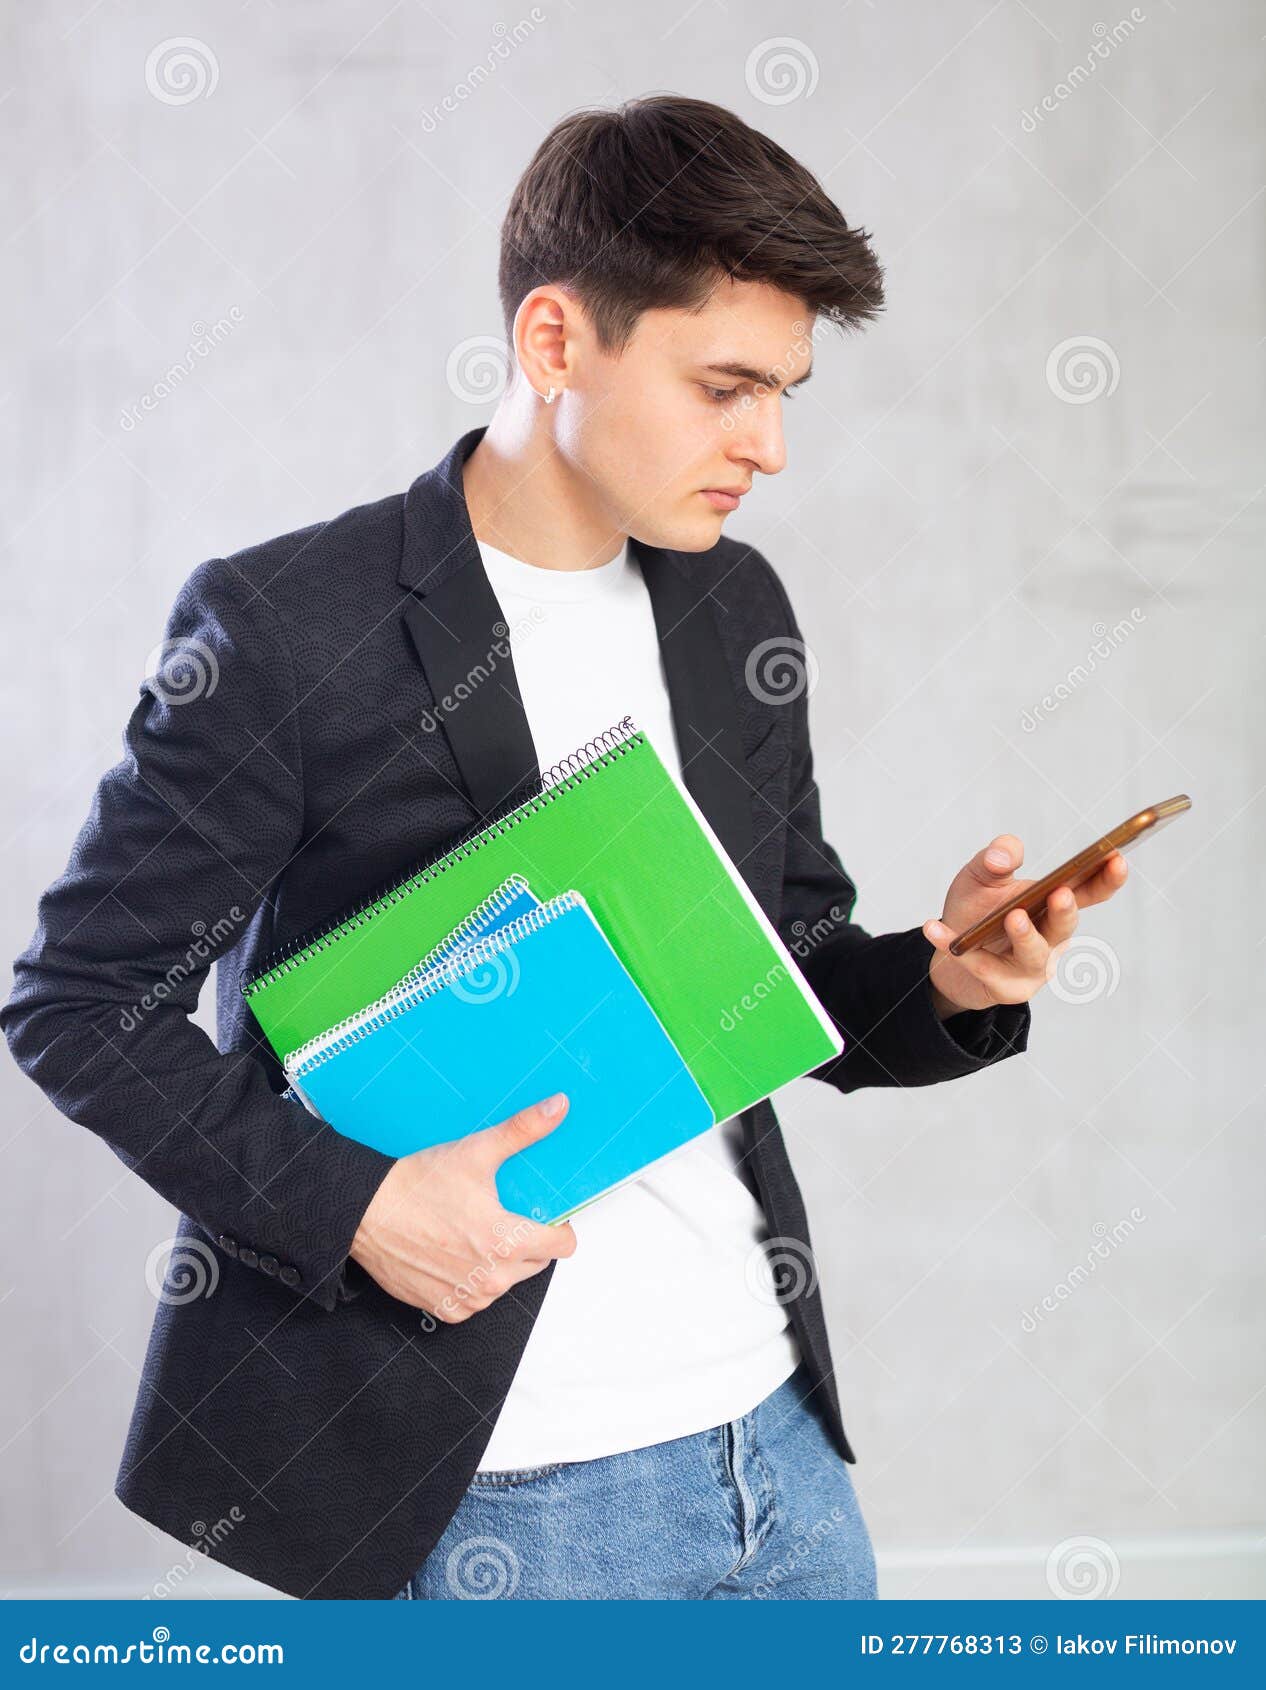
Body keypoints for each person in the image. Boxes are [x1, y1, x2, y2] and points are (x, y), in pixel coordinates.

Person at [2, 95, 1127, 1601]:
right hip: (491, 1488)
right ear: (553, 341)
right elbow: (79, 1002)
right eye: (726, 387)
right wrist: (359, 1209)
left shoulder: (735, 608)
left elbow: (780, 977)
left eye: (785, 393)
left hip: (773, 1441)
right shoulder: (289, 628)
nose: (770, 445)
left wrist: (949, 978)